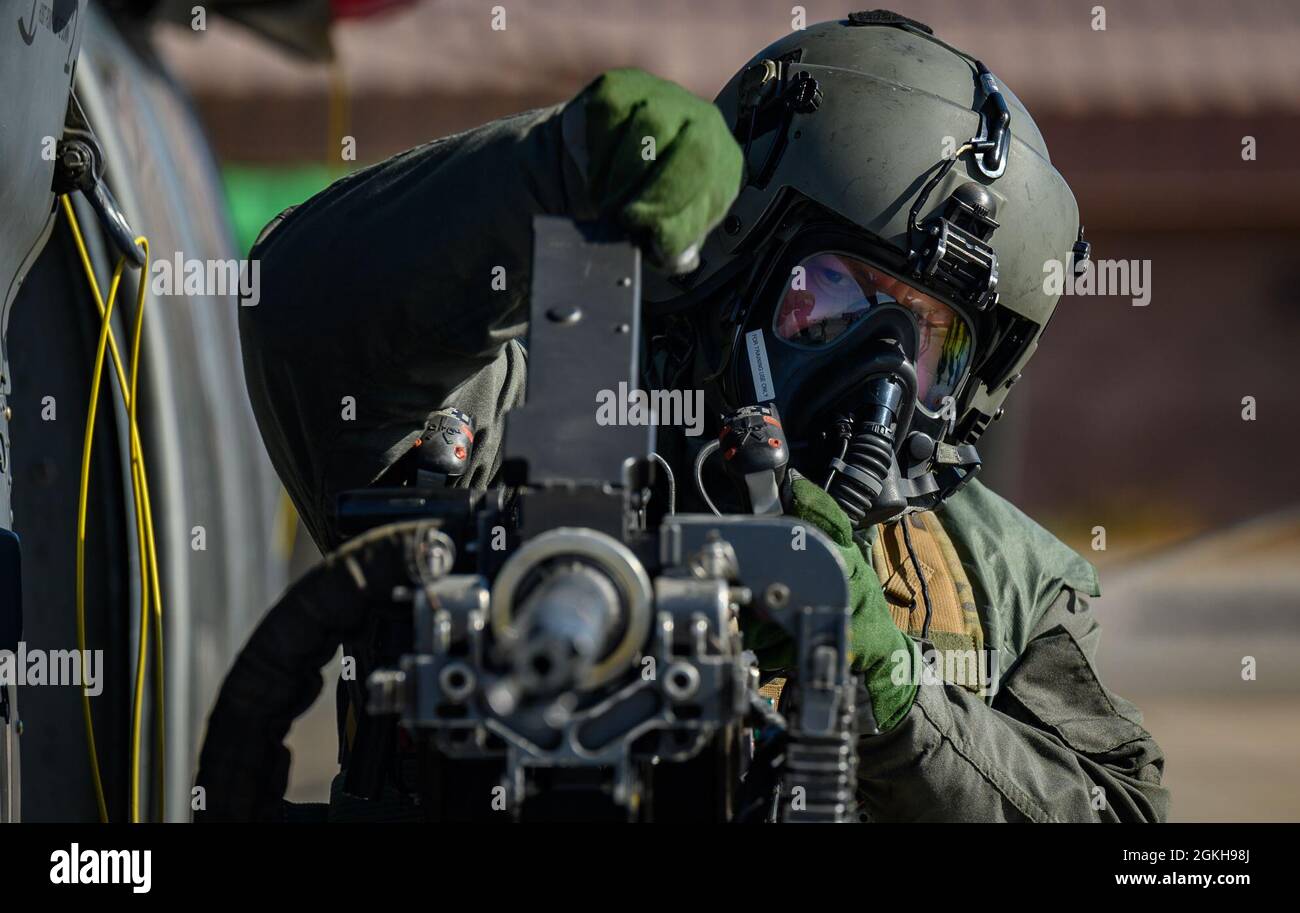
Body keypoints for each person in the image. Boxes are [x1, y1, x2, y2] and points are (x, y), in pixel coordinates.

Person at [239, 10, 1168, 822]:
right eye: (835, 294)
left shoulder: (1003, 580)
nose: (877, 374)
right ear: (735, 270)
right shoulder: (535, 441)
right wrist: (542, 179)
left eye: (928, 337)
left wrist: (895, 700)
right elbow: (311, 320)